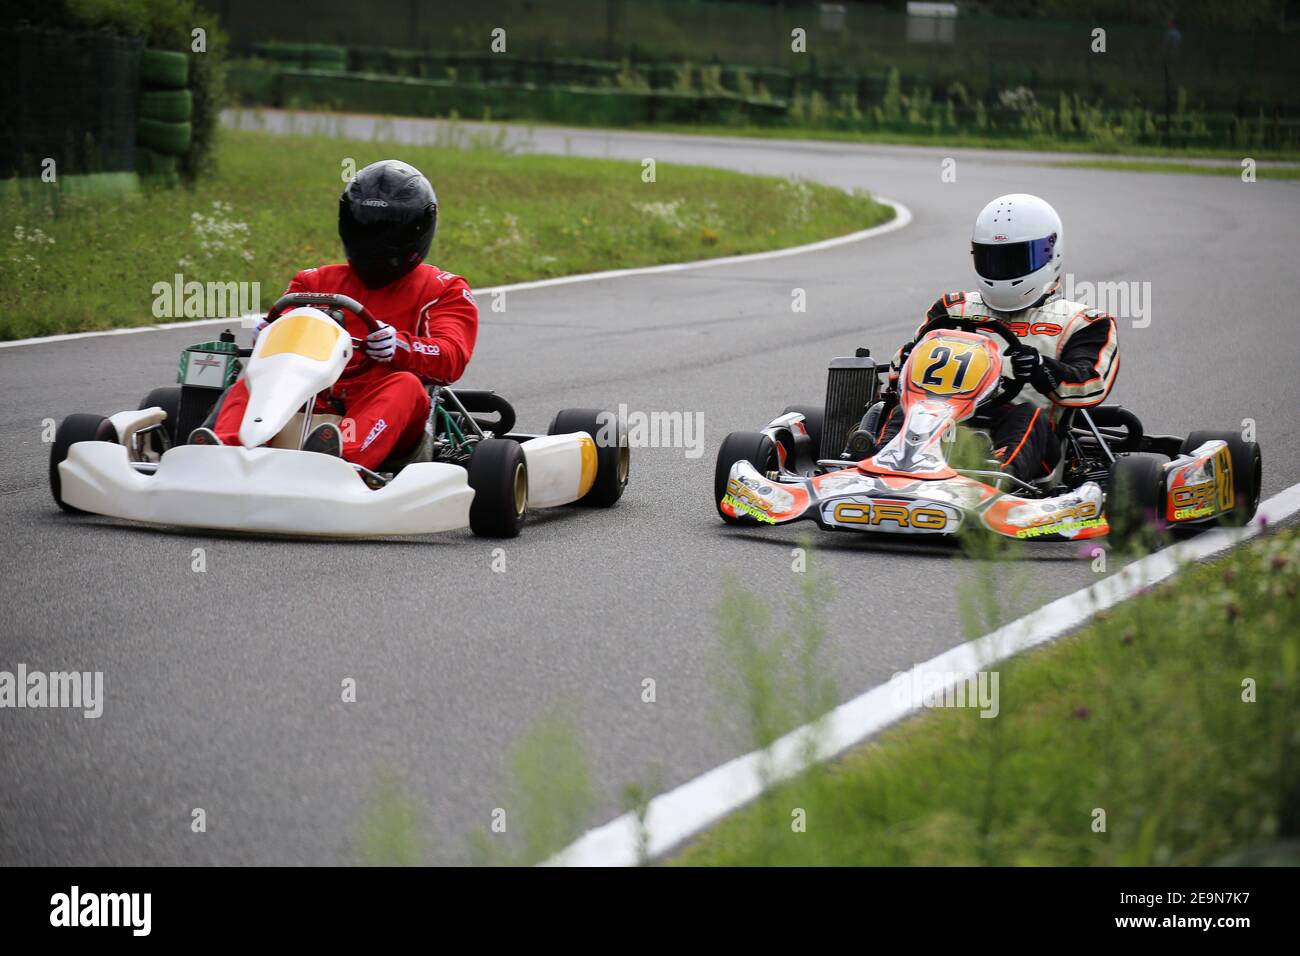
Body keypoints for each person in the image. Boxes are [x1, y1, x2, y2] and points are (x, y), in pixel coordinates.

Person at [191, 159, 479, 471]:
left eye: (386, 229)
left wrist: (401, 346)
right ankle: (223, 450)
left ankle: (340, 461)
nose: (374, 242)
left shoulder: (443, 289)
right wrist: (269, 334)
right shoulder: (312, 283)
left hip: (384, 415)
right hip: (301, 400)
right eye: (367, 226)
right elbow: (284, 339)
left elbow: (452, 357)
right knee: (252, 378)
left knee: (406, 385)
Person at [876, 193, 1119, 483]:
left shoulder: (1082, 322)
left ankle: (997, 477)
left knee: (1028, 414)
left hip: (1028, 439)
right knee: (906, 406)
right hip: (941, 424)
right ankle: (878, 461)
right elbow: (899, 371)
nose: (1003, 269)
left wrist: (1043, 369)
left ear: (1050, 254)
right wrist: (906, 360)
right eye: (993, 258)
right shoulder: (953, 308)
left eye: (1015, 259)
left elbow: (1090, 384)